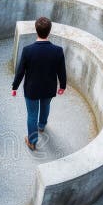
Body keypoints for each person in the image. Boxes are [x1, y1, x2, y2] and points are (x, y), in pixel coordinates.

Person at [11, 17, 67, 151]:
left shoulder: (27, 50)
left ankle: (32, 141)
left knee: (31, 115)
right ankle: (42, 126)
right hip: (49, 88)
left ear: (36, 30)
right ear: (49, 31)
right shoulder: (57, 50)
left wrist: (15, 87)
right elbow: (62, 71)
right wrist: (63, 86)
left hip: (32, 90)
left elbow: (20, 72)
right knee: (46, 105)